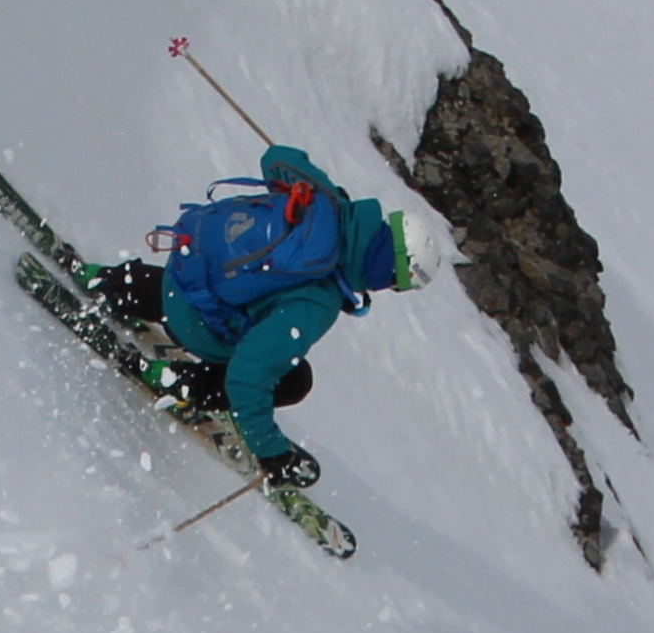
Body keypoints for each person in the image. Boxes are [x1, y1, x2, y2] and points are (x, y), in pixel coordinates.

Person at [102, 145, 422, 489]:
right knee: (294, 379)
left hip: (181, 270)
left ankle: (111, 283)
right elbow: (246, 376)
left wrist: (323, 194)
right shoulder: (317, 302)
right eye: (395, 283)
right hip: (196, 323)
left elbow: (276, 158)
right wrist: (271, 454)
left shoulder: (326, 201)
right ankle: (181, 382)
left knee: (227, 288)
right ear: (387, 270)